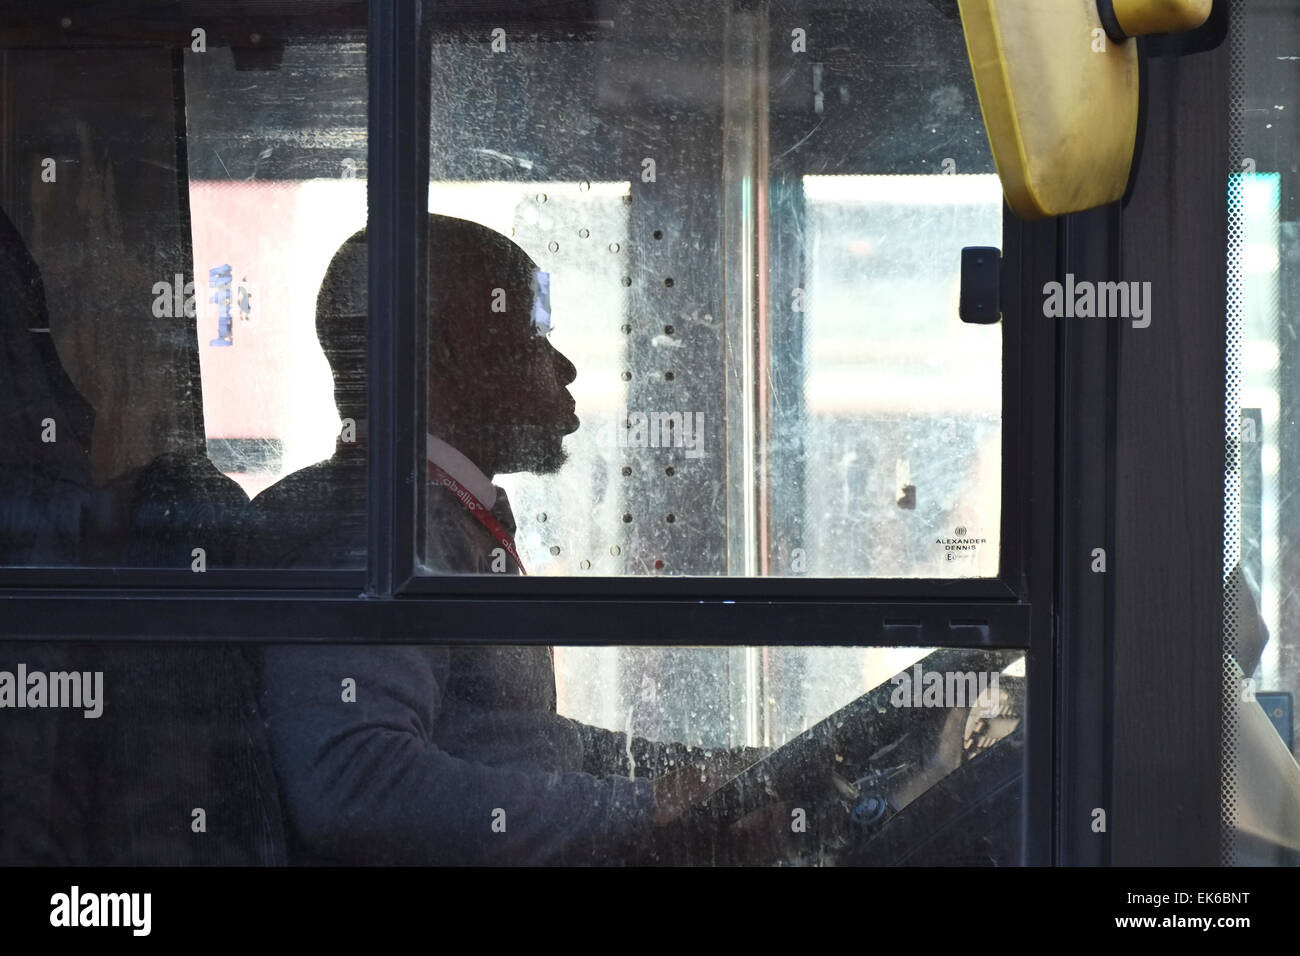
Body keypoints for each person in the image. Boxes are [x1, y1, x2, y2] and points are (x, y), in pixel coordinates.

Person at [249, 215, 764, 865]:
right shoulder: (369, 527)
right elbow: (355, 786)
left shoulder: (425, 511)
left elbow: (514, 736)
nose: (566, 365)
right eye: (536, 334)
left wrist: (700, 775)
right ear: (444, 355)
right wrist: (647, 808)